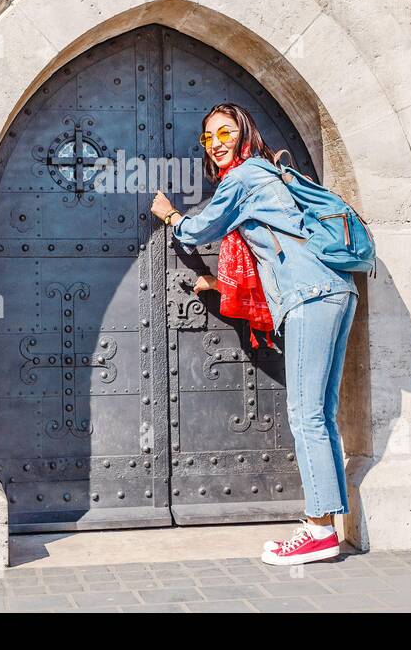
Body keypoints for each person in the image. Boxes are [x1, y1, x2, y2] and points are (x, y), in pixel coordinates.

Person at [151, 102, 360, 565]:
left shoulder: (244, 178)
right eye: (209, 138)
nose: (217, 143)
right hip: (334, 290)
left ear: (244, 133)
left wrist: (169, 215)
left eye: (225, 132)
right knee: (320, 414)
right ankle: (327, 525)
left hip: (309, 296)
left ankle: (320, 529)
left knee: (307, 415)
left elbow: (201, 228)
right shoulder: (267, 174)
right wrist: (217, 283)